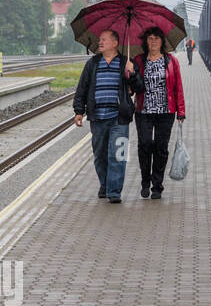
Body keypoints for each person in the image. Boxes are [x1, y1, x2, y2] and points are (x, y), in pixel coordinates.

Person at [73, 29, 143, 203]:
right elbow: (82, 87)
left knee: (118, 155)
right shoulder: (93, 63)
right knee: (100, 155)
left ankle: (114, 191)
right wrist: (78, 111)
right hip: (97, 117)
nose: (100, 42)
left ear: (114, 43)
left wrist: (132, 74)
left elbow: (140, 87)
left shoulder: (127, 63)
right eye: (100, 40)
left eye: (103, 39)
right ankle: (104, 184)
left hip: (120, 118)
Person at [132, 27, 186, 200]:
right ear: (145, 41)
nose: (153, 41)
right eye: (150, 38)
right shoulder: (139, 60)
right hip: (144, 111)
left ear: (162, 41)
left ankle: (157, 185)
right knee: (145, 145)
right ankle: (145, 182)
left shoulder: (170, 61)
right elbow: (133, 86)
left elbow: (178, 87)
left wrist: (181, 111)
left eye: (156, 38)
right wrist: (130, 72)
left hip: (166, 111)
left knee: (161, 149)